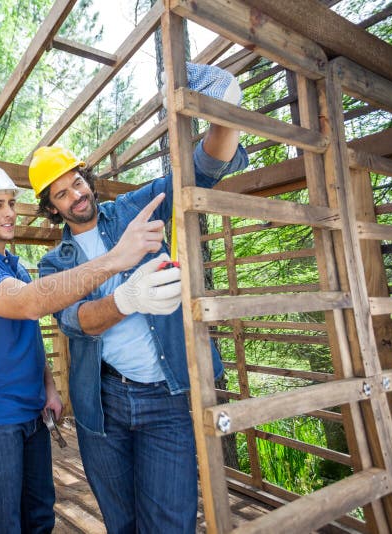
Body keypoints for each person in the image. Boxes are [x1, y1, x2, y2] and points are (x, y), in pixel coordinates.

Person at [32, 62, 249, 533]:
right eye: (62, 193)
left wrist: (223, 114)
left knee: (170, 523)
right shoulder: (54, 264)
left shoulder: (136, 208)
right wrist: (126, 299)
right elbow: (73, 323)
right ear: (52, 208)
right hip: (102, 404)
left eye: (77, 181)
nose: (76, 194)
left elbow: (203, 170)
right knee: (121, 523)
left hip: (167, 397)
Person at [0, 163, 169, 533]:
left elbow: (28, 335)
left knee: (39, 517)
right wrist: (117, 259)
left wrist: (49, 388)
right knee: (1, 526)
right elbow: (29, 304)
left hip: (31, 413)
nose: (8, 213)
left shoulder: (13, 266)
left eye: (10, 203)